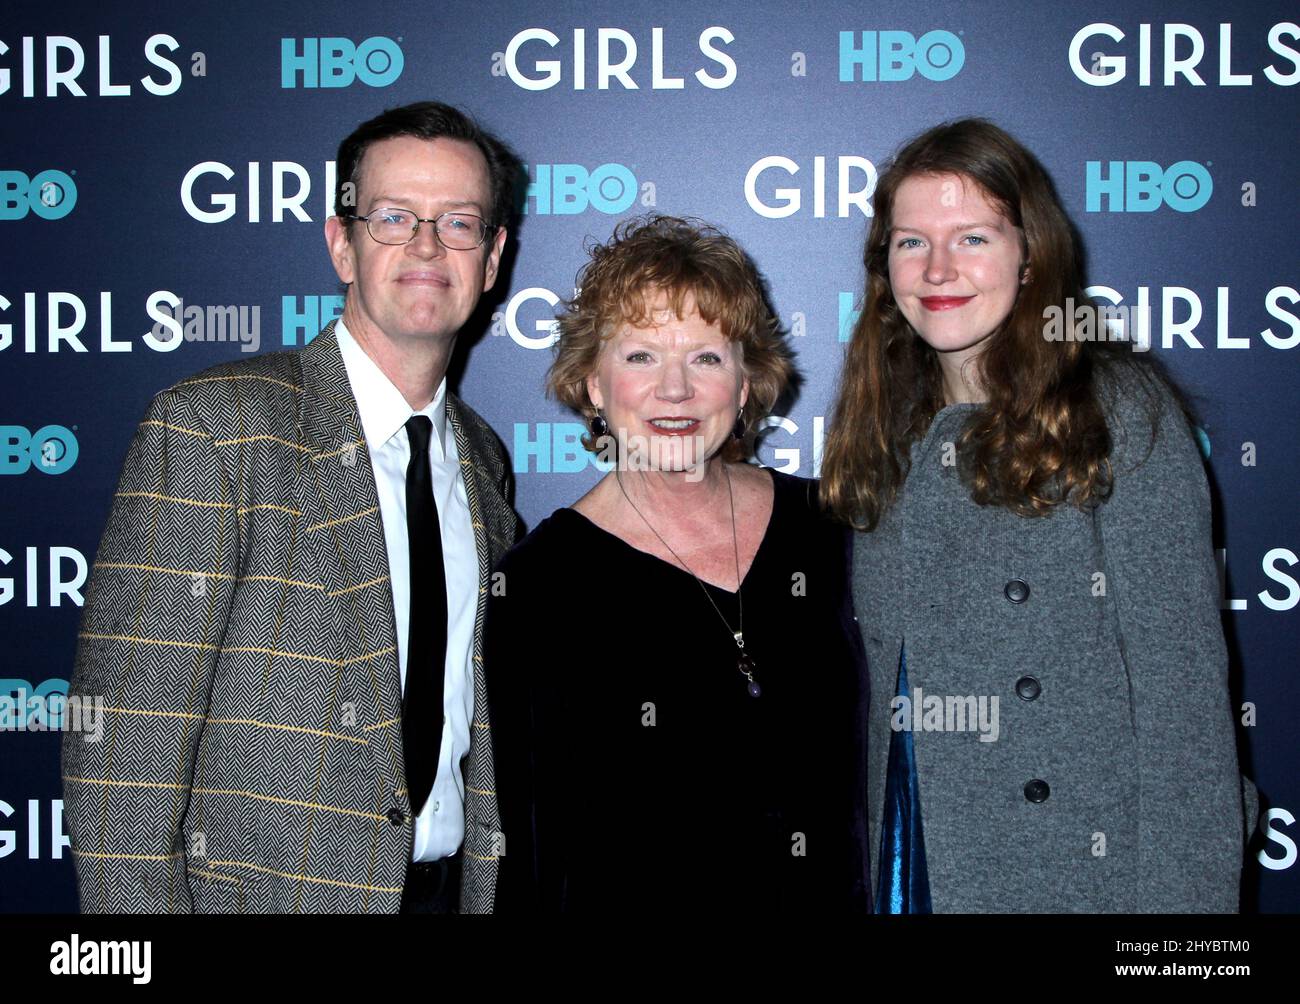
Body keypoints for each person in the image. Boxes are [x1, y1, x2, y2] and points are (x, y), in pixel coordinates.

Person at [62, 101, 522, 914]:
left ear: (492, 260)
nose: (425, 245)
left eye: (458, 222)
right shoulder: (215, 428)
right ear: (341, 243)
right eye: (393, 217)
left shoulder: (483, 462)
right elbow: (124, 753)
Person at [820, 118, 1255, 913]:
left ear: (1031, 255)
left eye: (974, 238)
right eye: (911, 242)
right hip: (915, 853)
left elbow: (1183, 706)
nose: (939, 268)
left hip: (1081, 873)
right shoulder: (877, 427)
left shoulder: (1118, 410)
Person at [485, 215, 870, 913]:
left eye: (706, 357)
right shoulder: (541, 586)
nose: (675, 390)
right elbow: (535, 851)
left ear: (747, 383)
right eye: (640, 357)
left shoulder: (834, 529)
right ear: (593, 386)